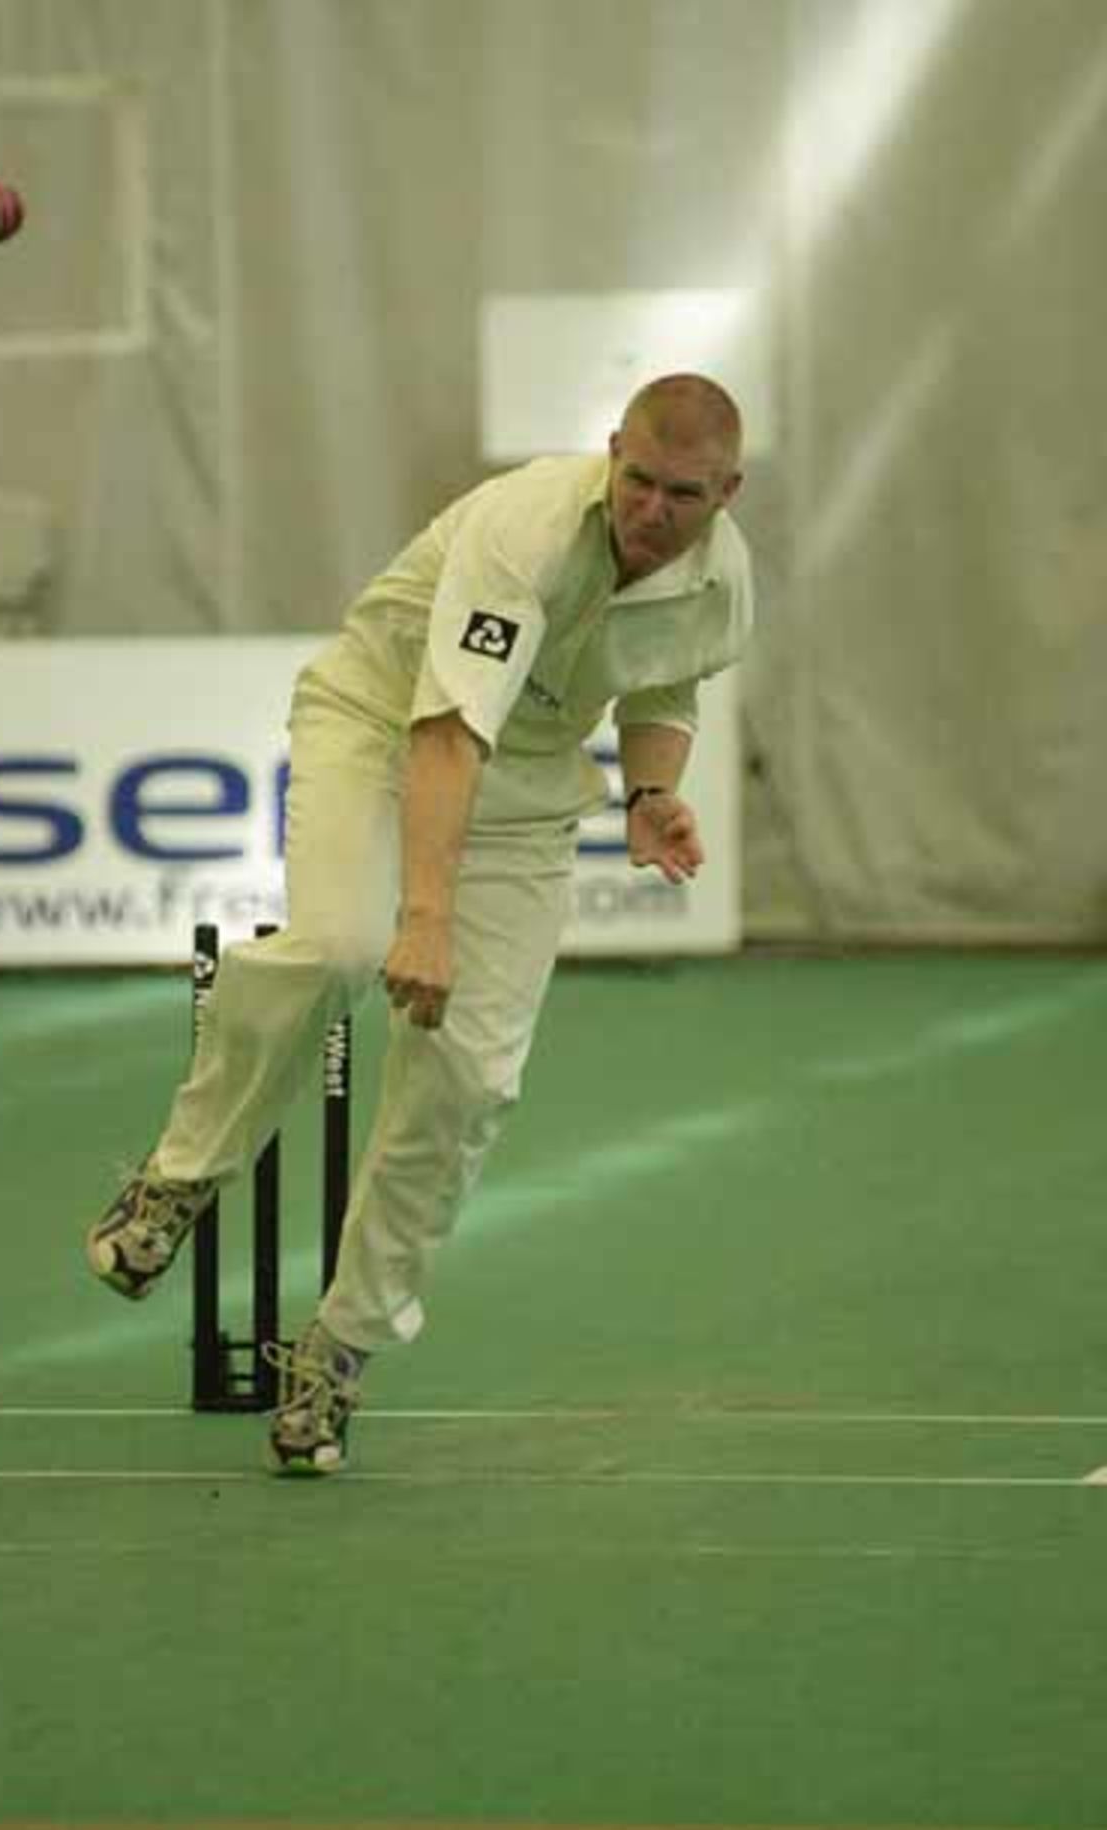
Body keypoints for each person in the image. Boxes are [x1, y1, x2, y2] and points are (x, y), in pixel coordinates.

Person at [86, 372, 752, 1476]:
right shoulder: (525, 530)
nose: (650, 509)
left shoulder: (724, 588)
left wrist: (647, 795)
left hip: (530, 797)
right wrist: (426, 917)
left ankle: (339, 1349)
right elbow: (447, 739)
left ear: (726, 493)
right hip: (380, 725)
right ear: (609, 454)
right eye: (635, 479)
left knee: (471, 1080)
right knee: (345, 943)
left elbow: (662, 692)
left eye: (681, 493)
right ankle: (182, 1172)